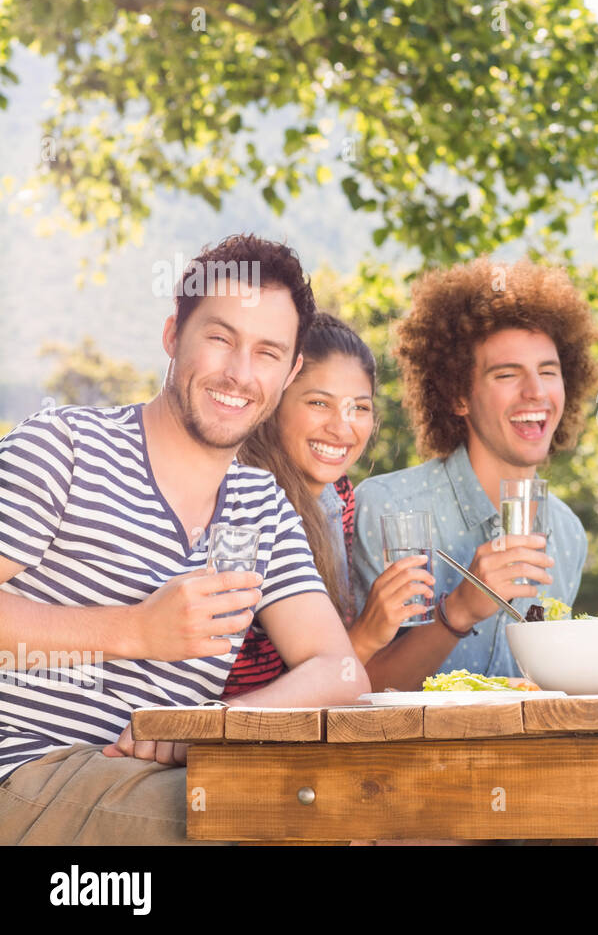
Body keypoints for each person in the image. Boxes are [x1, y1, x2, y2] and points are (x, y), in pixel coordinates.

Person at [0, 234, 369, 844]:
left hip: (152, 780)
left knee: (342, 806)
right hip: (24, 770)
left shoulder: (261, 504)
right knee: (268, 823)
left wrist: (215, 724)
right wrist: (132, 630)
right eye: (220, 338)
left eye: (268, 352)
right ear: (173, 335)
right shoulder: (63, 448)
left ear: (291, 371)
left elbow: (341, 673)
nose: (240, 374)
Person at [351, 258, 598, 690]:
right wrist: (459, 610)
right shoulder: (387, 508)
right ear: (458, 396)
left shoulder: (568, 533)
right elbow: (357, 688)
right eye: (507, 374)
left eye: (549, 372)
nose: (536, 392)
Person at [222, 313, 437, 697]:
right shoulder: (242, 509)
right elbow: (247, 695)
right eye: (320, 402)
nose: (343, 427)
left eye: (359, 407)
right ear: (275, 402)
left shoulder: (339, 497)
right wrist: (367, 635)